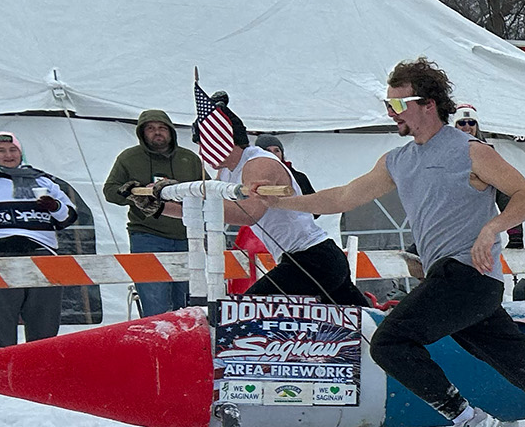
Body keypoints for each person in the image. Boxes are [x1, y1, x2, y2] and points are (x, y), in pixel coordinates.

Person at [258, 57, 525, 427]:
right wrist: (282, 201)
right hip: (450, 282)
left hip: (469, 275)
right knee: (523, 368)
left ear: (427, 105)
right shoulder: (396, 161)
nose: (390, 112)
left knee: (390, 342)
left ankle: (468, 419)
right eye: (387, 104)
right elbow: (341, 197)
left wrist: (491, 228)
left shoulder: (470, 152)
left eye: (397, 104)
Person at [150, 100, 366, 306]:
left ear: (224, 140)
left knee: (248, 311)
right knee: (363, 325)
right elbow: (211, 209)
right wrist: (160, 206)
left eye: (205, 145)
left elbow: (247, 214)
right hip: (301, 259)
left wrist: (188, 198)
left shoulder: (258, 163)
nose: (202, 153)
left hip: (314, 259)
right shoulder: (226, 170)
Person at [0, 132, 76, 348]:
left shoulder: (43, 181)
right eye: (0, 151)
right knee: (2, 325)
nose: (8, 155)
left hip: (42, 255)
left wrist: (54, 206)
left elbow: (68, 217)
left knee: (44, 324)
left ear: (21, 153)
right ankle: (3, 372)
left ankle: (40, 371)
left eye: (13, 150)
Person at [102, 110, 205, 317]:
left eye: (162, 128)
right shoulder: (129, 158)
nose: (157, 132)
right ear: (142, 132)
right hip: (147, 236)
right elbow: (110, 191)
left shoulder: (189, 158)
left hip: (187, 237)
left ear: (171, 131)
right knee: (154, 304)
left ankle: (184, 348)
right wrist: (130, 192)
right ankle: (155, 346)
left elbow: (207, 190)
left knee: (187, 305)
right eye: (150, 128)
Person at [254, 134, 315, 200]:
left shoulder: (299, 177)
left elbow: (314, 203)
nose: (273, 154)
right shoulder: (251, 176)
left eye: (276, 150)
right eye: (268, 151)